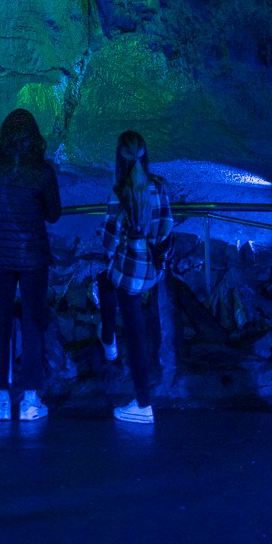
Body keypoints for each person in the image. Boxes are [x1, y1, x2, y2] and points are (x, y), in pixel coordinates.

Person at [0, 107, 61, 421]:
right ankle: (30, 400)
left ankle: (0, 400)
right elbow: (54, 214)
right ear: (33, 137)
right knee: (32, 323)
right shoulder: (42, 171)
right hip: (32, 256)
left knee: (0, 324)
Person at [95, 129, 173, 426]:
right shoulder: (160, 187)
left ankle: (142, 404)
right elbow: (165, 228)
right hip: (151, 270)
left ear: (120, 158)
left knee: (134, 333)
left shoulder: (119, 193)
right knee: (110, 289)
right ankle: (109, 340)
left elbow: (109, 241)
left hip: (128, 271)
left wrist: (113, 243)